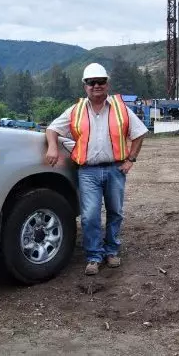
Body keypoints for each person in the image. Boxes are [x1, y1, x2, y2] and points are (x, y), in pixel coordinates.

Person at [45, 63, 148, 275]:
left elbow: (139, 133)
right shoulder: (75, 110)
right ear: (85, 86)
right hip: (87, 171)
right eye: (92, 82)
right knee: (90, 215)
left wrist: (131, 160)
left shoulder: (121, 109)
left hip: (115, 170)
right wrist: (53, 147)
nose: (96, 86)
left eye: (100, 82)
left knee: (115, 212)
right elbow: (52, 128)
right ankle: (94, 256)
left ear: (107, 84)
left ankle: (111, 251)